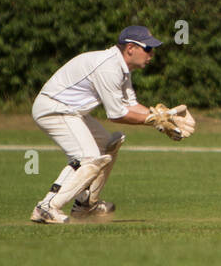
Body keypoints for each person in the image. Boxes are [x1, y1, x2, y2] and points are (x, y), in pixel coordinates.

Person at [29, 25, 194, 224]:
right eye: (148, 49)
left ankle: (85, 204)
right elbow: (117, 114)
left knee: (110, 143)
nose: (151, 54)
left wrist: (164, 118)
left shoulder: (122, 69)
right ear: (131, 48)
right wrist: (154, 121)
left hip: (70, 111)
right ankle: (47, 207)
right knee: (87, 157)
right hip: (54, 108)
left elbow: (131, 105)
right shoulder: (108, 67)